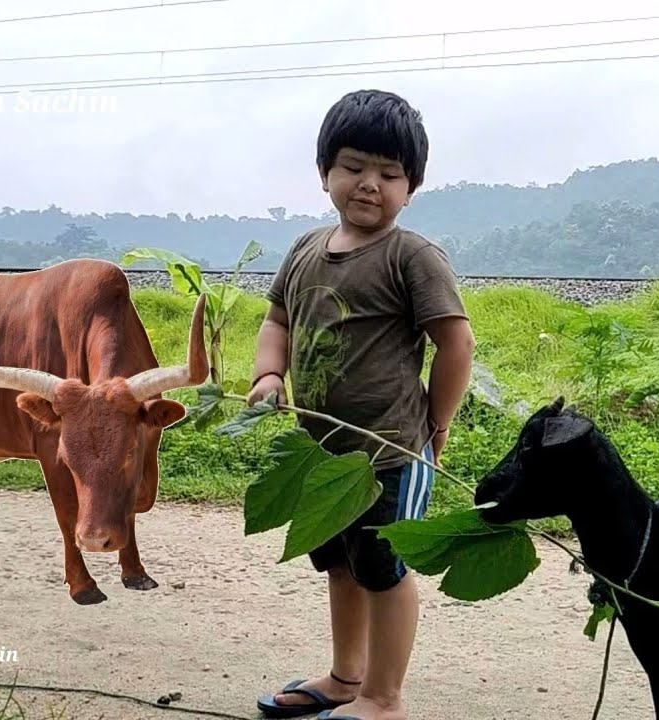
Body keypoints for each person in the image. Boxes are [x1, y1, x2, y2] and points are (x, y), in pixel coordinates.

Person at [249, 89, 475, 720]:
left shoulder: (412, 256)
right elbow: (278, 322)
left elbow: (456, 344)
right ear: (325, 172)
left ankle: (384, 698)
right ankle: (347, 678)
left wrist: (438, 421)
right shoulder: (303, 250)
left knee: (384, 567)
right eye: (353, 166)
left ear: (412, 187)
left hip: (390, 453)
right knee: (342, 565)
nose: (368, 184)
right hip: (322, 453)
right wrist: (270, 374)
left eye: (389, 172)